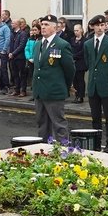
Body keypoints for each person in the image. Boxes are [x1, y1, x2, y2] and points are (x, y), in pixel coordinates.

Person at [30, 15, 76, 143]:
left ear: (55, 28)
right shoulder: (38, 43)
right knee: (42, 124)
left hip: (54, 91)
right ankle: (43, 150)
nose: (43, 27)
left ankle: (64, 151)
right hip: (40, 91)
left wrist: (64, 86)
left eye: (46, 25)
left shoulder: (62, 45)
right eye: (42, 24)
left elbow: (70, 70)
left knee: (58, 124)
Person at [82, 16, 108, 144]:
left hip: (107, 85)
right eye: (97, 25)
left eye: (102, 25)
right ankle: (96, 142)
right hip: (93, 85)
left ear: (106, 26)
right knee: (95, 117)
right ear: (93, 27)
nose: (100, 28)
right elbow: (88, 63)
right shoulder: (87, 44)